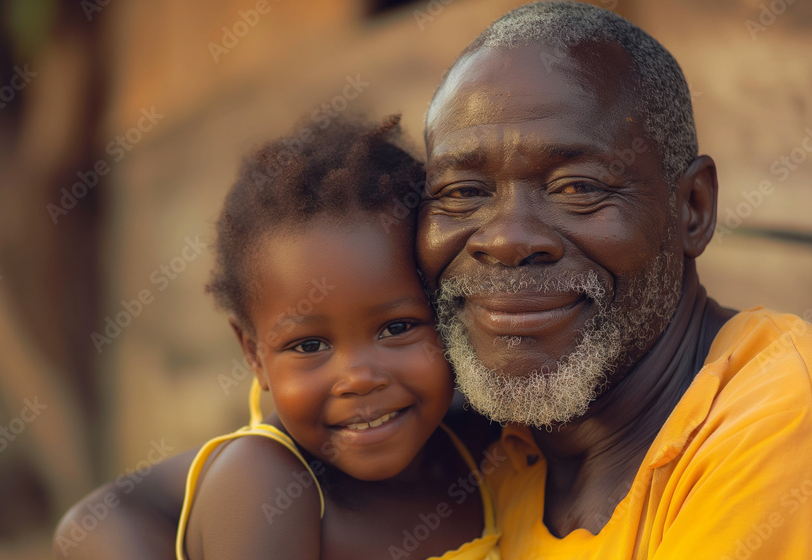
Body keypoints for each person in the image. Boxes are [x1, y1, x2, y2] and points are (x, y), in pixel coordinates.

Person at [55, 2, 812, 559]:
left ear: (692, 209)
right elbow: (106, 515)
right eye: (463, 193)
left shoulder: (794, 417)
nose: (507, 240)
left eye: (579, 186)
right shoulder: (495, 435)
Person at [65, 114, 502, 560]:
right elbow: (92, 520)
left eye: (397, 328)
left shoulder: (476, 444)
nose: (358, 378)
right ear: (253, 355)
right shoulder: (266, 485)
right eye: (309, 345)